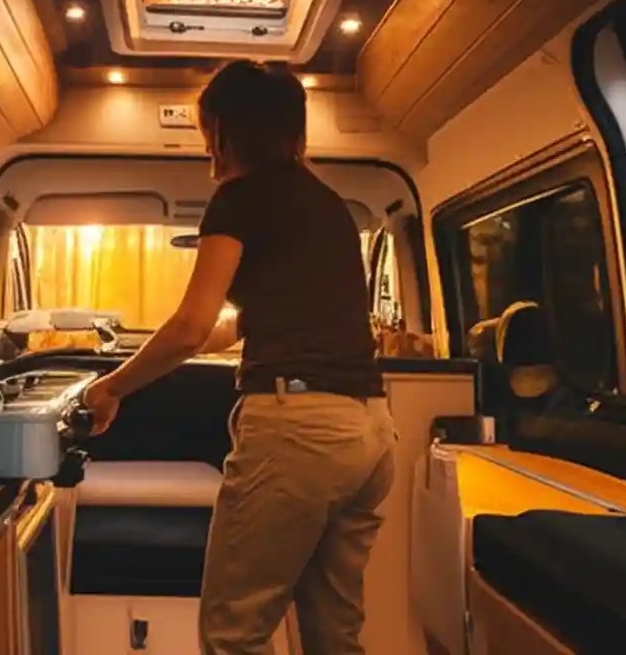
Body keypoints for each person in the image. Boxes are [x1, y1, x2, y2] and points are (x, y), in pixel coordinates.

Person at [82, 60, 396, 655]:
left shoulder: (240, 198)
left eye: (207, 132)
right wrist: (164, 346)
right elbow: (232, 328)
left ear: (222, 131)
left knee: (235, 633)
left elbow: (189, 326)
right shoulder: (329, 206)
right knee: (335, 634)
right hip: (371, 432)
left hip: (299, 434)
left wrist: (113, 386)